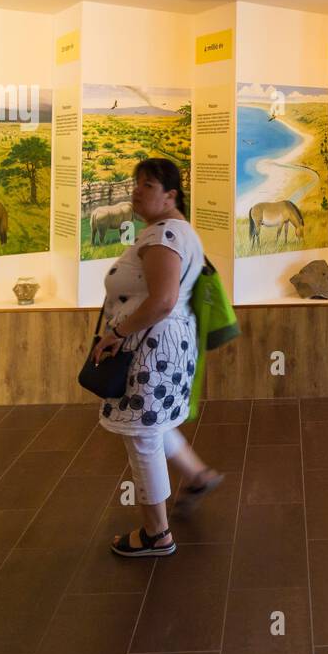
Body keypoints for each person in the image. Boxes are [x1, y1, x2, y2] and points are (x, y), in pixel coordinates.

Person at [92, 158, 222, 556]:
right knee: (155, 426)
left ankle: (156, 533)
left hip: (150, 351)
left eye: (146, 185)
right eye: (136, 183)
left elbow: (162, 300)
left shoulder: (164, 236)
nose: (135, 191)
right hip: (166, 348)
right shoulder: (178, 232)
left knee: (143, 436)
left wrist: (117, 332)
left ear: (170, 196)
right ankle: (197, 474)